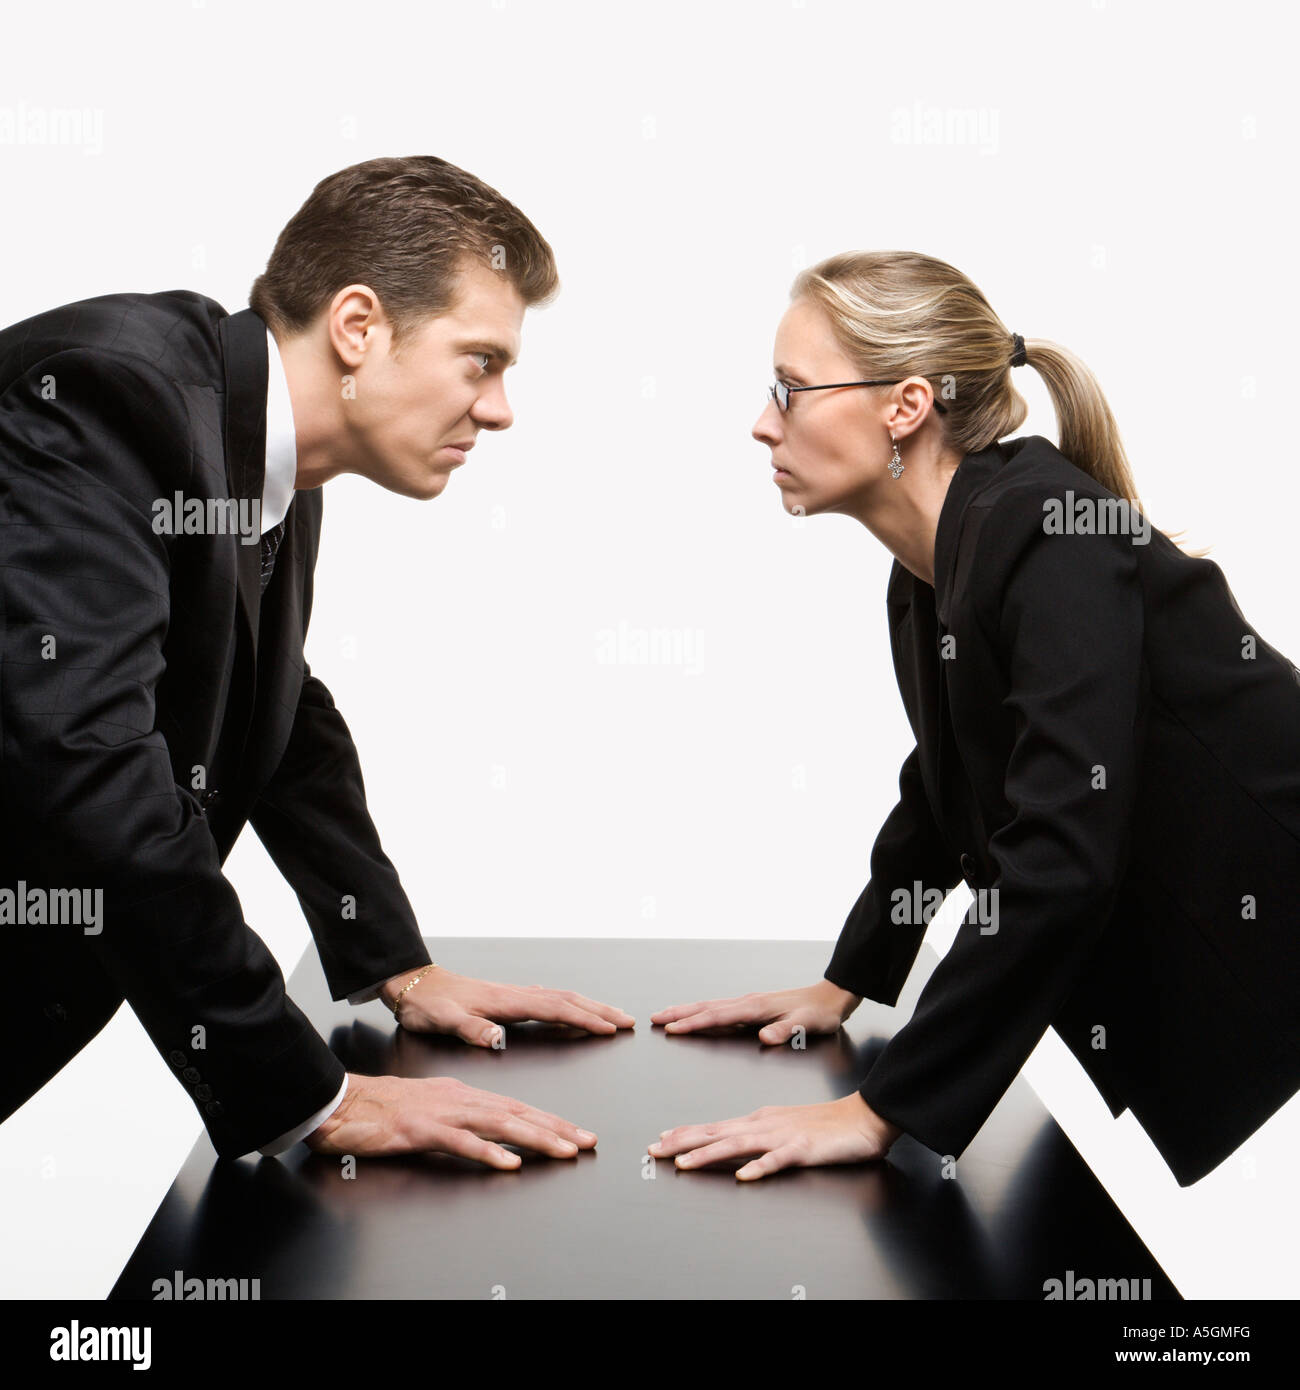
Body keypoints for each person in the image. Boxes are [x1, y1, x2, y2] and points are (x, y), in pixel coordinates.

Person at [0, 154, 633, 1170]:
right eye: (481, 360)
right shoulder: (111, 397)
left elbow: (276, 706)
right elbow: (86, 764)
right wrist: (311, 1096)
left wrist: (395, 963)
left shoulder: (260, 444)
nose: (501, 406)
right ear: (357, 327)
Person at [649, 249, 1300, 1187]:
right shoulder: (934, 563)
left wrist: (881, 1109)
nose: (761, 424)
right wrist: (849, 980)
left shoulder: (1045, 531)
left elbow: (1061, 852)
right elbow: (948, 777)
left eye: (789, 391)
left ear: (904, 407)